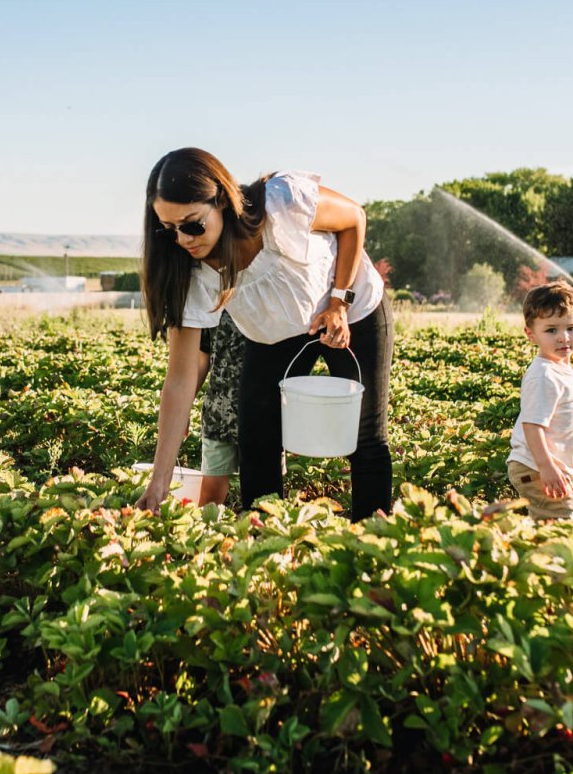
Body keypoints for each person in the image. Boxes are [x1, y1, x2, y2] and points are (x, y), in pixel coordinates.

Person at [138, 147, 393, 521]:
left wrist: (339, 302)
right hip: (273, 332)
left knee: (365, 435)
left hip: (351, 307)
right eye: (168, 229)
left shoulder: (282, 201)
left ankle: (374, 545)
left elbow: (354, 218)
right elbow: (180, 378)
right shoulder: (186, 272)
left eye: (193, 224)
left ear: (222, 201)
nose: (183, 240)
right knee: (256, 438)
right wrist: (157, 485)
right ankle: (264, 545)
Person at [506, 281, 573, 520]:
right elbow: (532, 425)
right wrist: (547, 467)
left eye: (571, 328)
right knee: (572, 527)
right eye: (551, 330)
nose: (564, 337)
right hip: (536, 468)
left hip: (543, 467)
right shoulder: (544, 374)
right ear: (531, 334)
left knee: (548, 529)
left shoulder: (562, 368)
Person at [194, 311, 245, 506]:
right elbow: (201, 359)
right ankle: (206, 535)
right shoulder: (214, 303)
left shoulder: (268, 295)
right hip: (219, 413)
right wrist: (184, 409)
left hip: (263, 412)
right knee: (210, 499)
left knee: (262, 498)